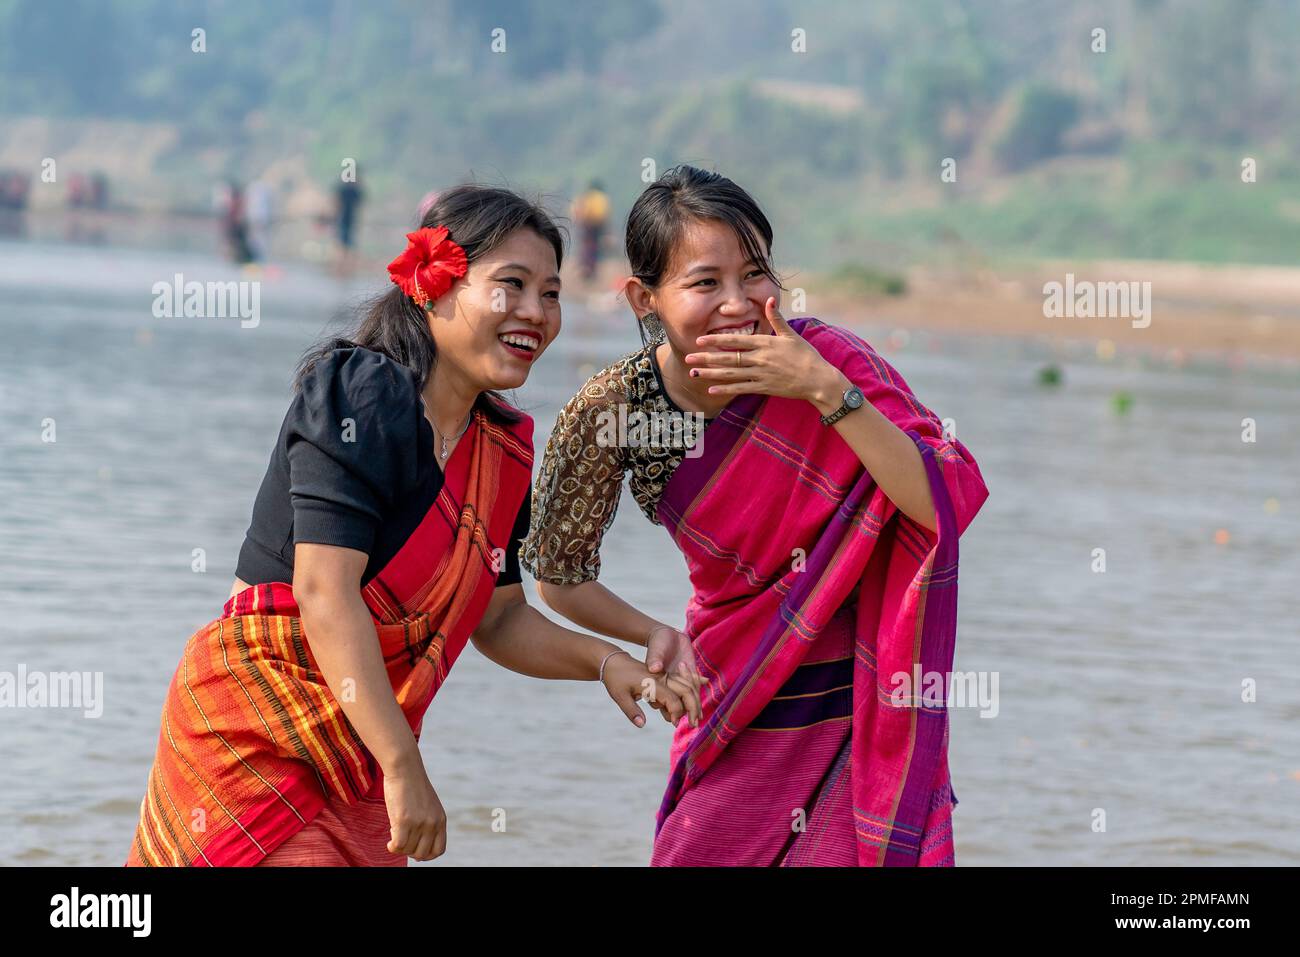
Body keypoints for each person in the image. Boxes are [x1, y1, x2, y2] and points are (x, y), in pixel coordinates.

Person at [126, 184, 700, 867]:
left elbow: (499, 615)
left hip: (362, 750)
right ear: (433, 286)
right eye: (509, 284)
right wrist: (403, 766)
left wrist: (609, 664)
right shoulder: (360, 393)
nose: (535, 312)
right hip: (260, 729)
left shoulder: (503, 448)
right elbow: (324, 591)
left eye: (549, 292)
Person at [521, 165, 990, 866]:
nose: (738, 304)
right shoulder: (616, 411)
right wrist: (652, 633)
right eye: (706, 282)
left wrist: (825, 391)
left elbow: (941, 501)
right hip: (734, 686)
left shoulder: (828, 361)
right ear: (644, 298)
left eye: (756, 273)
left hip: (858, 691)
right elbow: (558, 576)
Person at [571, 179, 609, 281]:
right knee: (594, 248)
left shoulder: (586, 196)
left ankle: (585, 268)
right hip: (597, 226)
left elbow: (578, 211)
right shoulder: (601, 197)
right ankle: (590, 269)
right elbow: (604, 214)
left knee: (586, 247)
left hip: (586, 225)